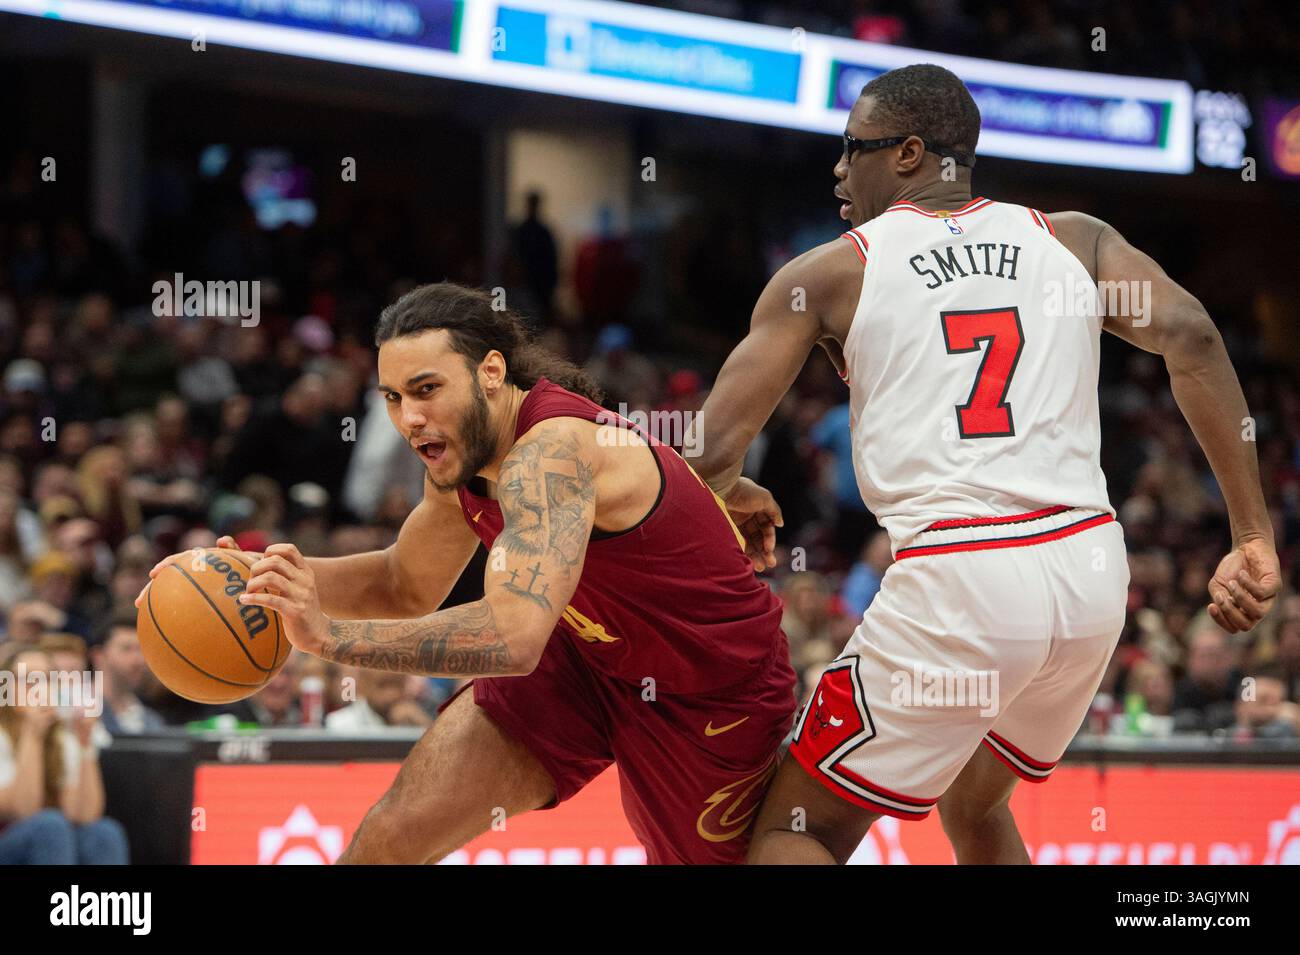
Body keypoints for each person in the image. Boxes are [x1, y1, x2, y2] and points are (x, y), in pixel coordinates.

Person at [686, 63, 1281, 864]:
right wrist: (1251, 534)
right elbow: (1195, 336)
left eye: (850, 147)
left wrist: (722, 483)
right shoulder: (1072, 238)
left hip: (961, 577)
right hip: (1089, 574)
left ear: (907, 154)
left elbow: (710, 453)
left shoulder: (832, 271)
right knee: (975, 802)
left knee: (802, 830)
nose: (836, 167)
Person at [142, 282, 796, 864]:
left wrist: (330, 636)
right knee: (394, 834)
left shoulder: (553, 452)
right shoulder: (461, 464)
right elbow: (403, 583)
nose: (410, 418)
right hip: (581, 662)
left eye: (427, 389)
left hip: (709, 693)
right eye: (394, 398)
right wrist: (258, 573)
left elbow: (511, 638)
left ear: (490, 372)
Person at [0, 646, 129, 864]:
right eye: (28, 679)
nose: (39, 688)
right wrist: (32, 736)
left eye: (47, 678)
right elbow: (23, 810)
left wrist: (84, 743)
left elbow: (85, 814)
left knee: (104, 832)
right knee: (49, 825)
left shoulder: (61, 736)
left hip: (49, 835)